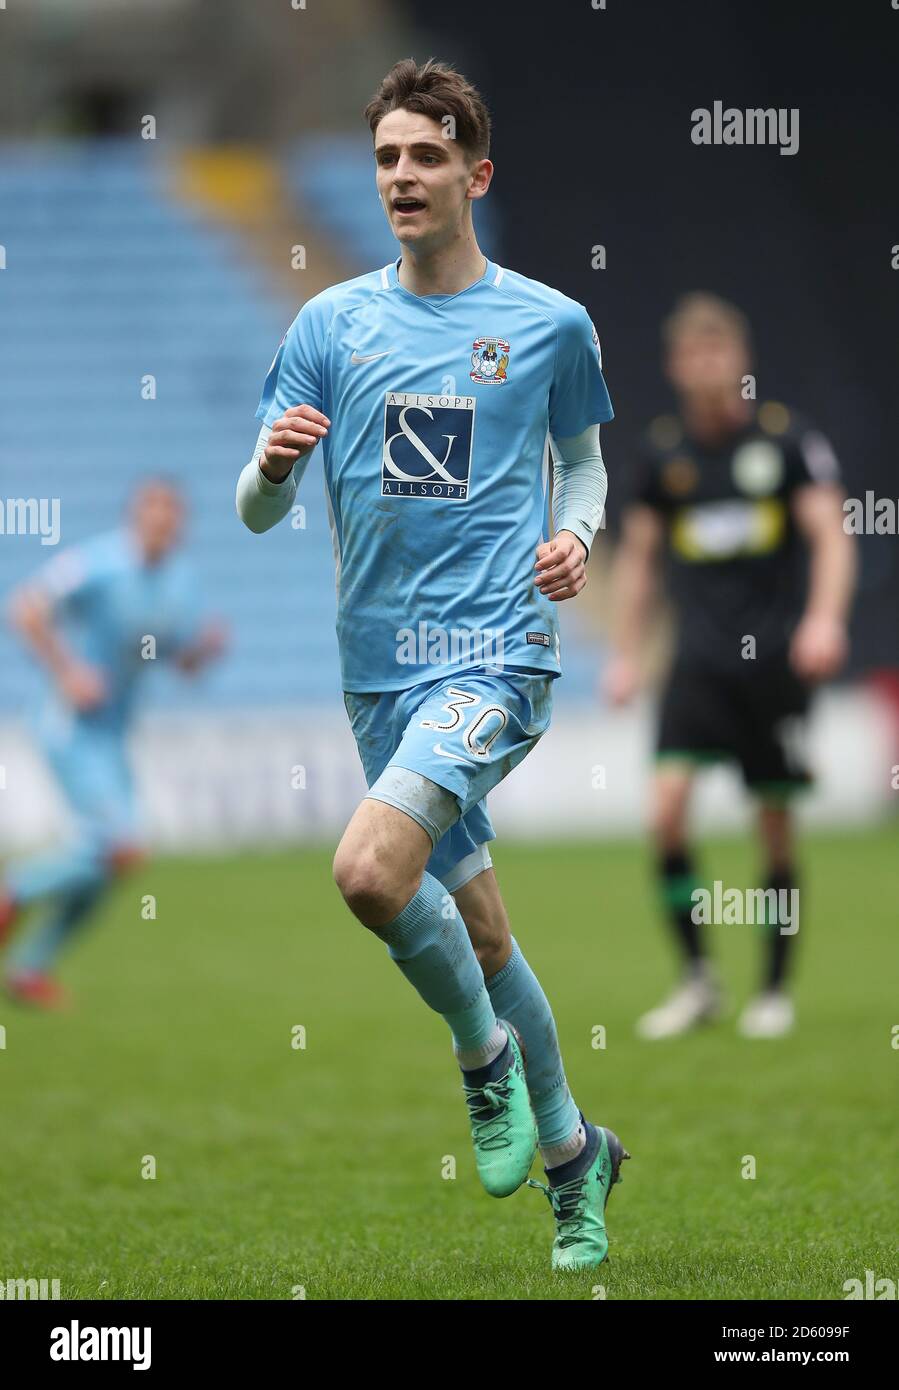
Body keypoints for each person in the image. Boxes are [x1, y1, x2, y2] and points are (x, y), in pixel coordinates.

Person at [236, 58, 628, 1269]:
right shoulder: (329, 324)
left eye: (424, 156)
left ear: (474, 172)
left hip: (494, 657)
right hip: (376, 673)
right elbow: (251, 511)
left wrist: (573, 535)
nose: (401, 176)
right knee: (488, 936)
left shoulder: (548, 323)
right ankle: (575, 1159)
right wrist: (274, 467)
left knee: (365, 872)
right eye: (386, 158)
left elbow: (587, 464)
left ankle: (483, 1062)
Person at [605, 293, 855, 1039]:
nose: (708, 368)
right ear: (676, 367)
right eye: (694, 355)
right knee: (665, 814)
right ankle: (697, 980)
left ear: (739, 363)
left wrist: (822, 621)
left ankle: (772, 989)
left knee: (772, 825)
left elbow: (832, 536)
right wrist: (624, 655)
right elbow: (640, 562)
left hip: (773, 668)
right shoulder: (662, 455)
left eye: (719, 354)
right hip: (696, 665)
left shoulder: (785, 443)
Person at [0, 479, 225, 1007]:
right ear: (134, 517)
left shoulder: (179, 584)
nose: (161, 524)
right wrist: (68, 671)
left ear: (180, 526)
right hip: (71, 725)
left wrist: (201, 653)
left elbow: (176, 661)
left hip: (113, 734)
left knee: (117, 860)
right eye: (152, 513)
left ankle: (30, 968)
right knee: (120, 845)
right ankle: (16, 891)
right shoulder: (99, 564)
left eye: (171, 515)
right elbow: (25, 607)